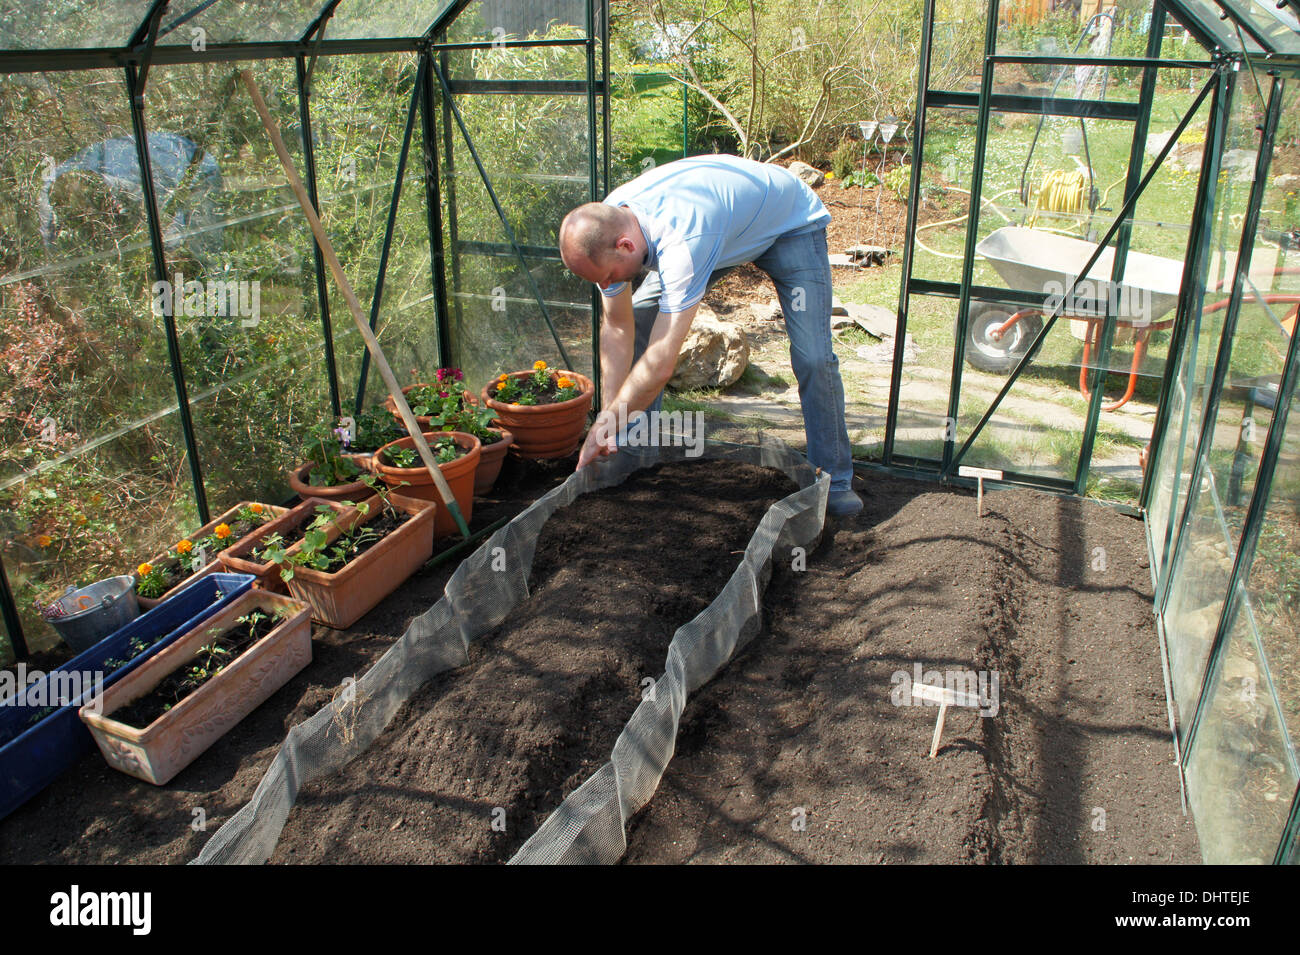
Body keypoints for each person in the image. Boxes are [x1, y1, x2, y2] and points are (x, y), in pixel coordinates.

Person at [558, 152, 863, 516]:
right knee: (639, 316)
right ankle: (633, 459)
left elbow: (660, 363)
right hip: (725, 230)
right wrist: (609, 417)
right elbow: (619, 326)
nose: (606, 285)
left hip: (788, 224)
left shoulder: (684, 240)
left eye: (607, 276)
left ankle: (834, 480)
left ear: (625, 245)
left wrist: (603, 426)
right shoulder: (606, 223)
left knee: (813, 357)